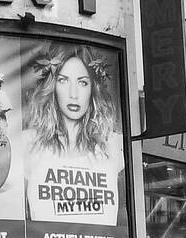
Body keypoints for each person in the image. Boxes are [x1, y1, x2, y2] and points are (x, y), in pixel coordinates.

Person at [22, 44, 121, 222]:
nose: (73, 94)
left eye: (82, 82)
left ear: (93, 88)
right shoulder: (28, 143)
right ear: (51, 86)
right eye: (63, 80)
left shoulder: (114, 145)